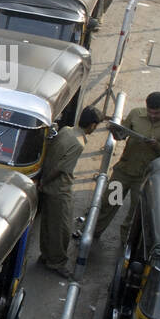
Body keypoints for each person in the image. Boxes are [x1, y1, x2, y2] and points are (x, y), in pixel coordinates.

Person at [94, 92, 160, 244]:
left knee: (136, 213)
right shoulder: (136, 114)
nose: (152, 116)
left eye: (157, 113)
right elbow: (122, 135)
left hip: (147, 178)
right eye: (150, 112)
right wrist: (116, 132)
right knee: (110, 202)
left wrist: (158, 146)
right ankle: (93, 232)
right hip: (125, 171)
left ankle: (126, 243)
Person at [37, 108, 102, 276]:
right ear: (93, 125)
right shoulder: (78, 143)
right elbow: (61, 169)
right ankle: (56, 262)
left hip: (49, 186)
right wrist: (45, 183)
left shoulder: (66, 130)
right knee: (61, 229)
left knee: (48, 225)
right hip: (59, 189)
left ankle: (46, 255)